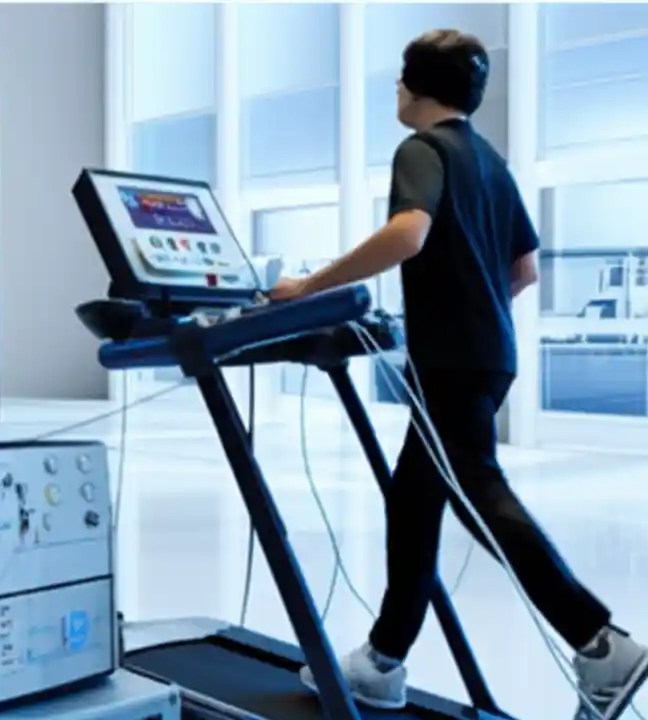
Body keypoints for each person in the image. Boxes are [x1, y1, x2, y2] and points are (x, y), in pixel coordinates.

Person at [270, 29, 648, 719]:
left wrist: (310, 287)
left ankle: (601, 645)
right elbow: (523, 269)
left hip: (450, 359)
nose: (395, 90)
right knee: (415, 500)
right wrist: (471, 303)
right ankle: (383, 662)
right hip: (488, 353)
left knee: (477, 490)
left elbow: (408, 233)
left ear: (416, 87)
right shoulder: (490, 160)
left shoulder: (423, 149)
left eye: (399, 79)